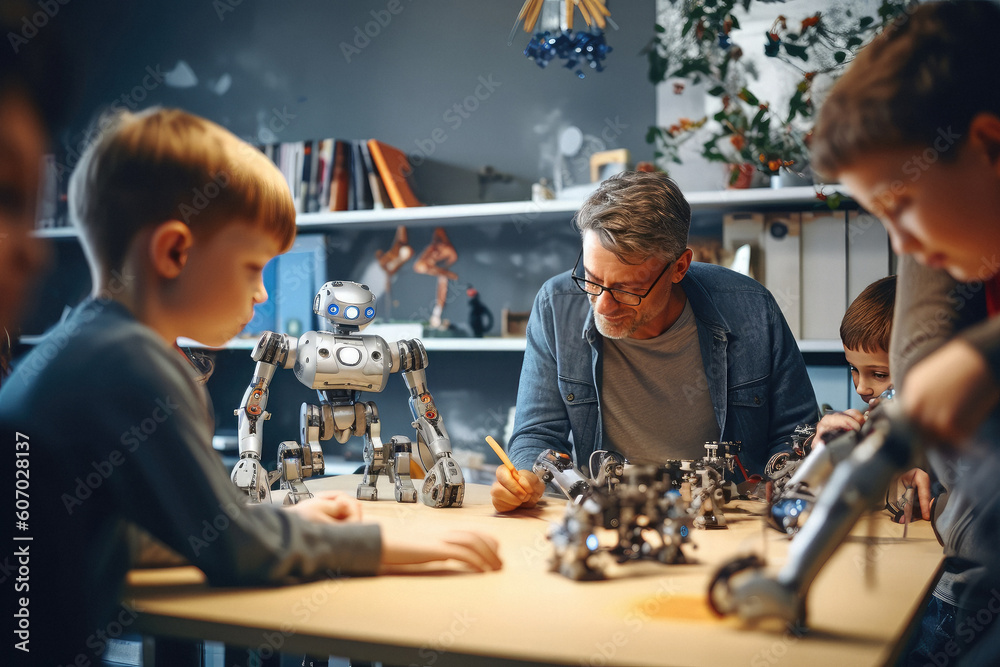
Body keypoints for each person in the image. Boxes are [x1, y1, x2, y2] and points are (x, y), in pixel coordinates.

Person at [0, 107, 501, 667]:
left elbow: (145, 530)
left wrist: (278, 522)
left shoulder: (77, 346)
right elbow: (232, 550)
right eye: (251, 268)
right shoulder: (134, 367)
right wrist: (388, 548)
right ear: (174, 253)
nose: (262, 295)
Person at [810, 1, 1000, 663]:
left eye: (904, 205)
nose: (904, 246)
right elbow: (920, 362)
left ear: (986, 143)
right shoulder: (955, 243)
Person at [491, 170, 819, 512]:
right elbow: (537, 434)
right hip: (609, 517)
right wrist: (526, 480)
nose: (603, 305)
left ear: (679, 267)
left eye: (627, 288)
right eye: (591, 279)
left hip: (728, 517)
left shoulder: (751, 309)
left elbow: (798, 433)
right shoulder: (555, 305)